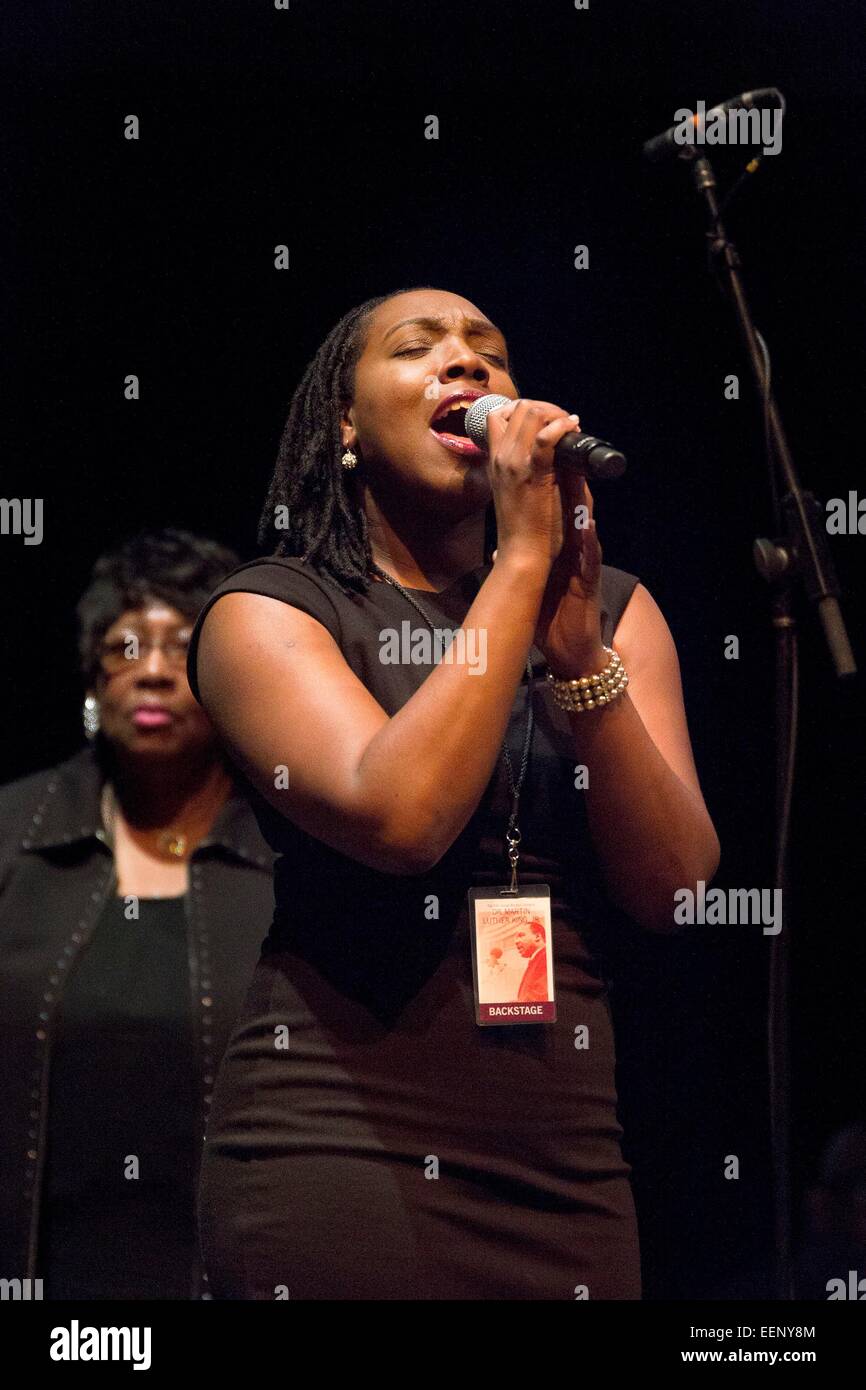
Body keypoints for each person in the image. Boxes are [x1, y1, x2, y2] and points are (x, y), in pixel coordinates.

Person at [188, 286, 720, 1300]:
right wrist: (520, 561)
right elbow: (403, 820)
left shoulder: (610, 609)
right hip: (338, 1151)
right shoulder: (270, 611)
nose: (466, 363)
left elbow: (677, 889)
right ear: (343, 425)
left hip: (569, 1170)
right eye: (418, 347)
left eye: (489, 350)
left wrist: (576, 661)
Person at [0, 529, 275, 1299]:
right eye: (126, 648)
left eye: (181, 650)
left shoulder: (295, 855)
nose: (152, 673)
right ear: (91, 680)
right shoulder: (13, 837)